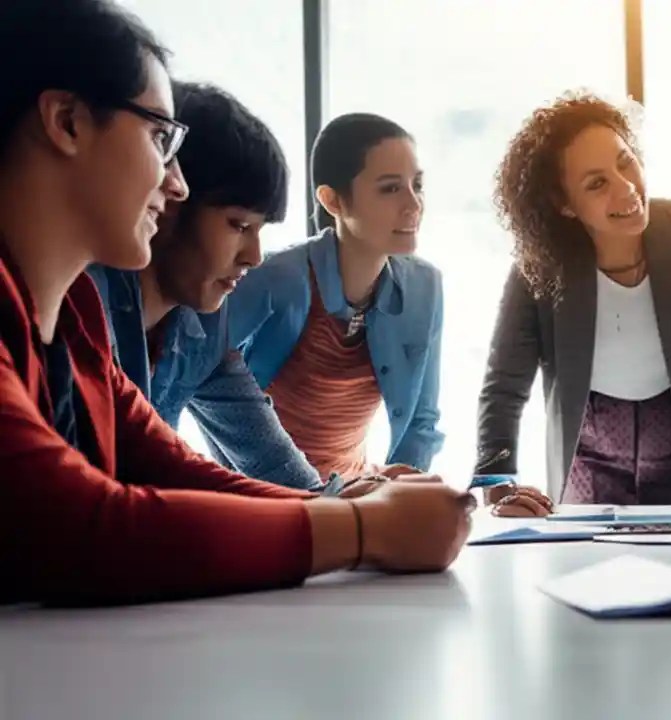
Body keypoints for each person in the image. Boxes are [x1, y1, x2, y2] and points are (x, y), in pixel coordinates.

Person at [0, 0, 471, 606]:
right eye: (160, 138)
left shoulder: (76, 318)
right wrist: (361, 530)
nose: (176, 184)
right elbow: (86, 527)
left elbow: (171, 467)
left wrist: (343, 507)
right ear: (67, 121)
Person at [476, 90, 671, 515]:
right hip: (587, 463)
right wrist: (496, 481)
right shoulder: (540, 264)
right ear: (564, 205)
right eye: (597, 183)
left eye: (625, 161)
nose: (627, 187)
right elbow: (505, 385)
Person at [87, 80, 321, 490]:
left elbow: (271, 461)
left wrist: (344, 503)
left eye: (260, 230)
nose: (254, 256)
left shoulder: (203, 327)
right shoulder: (85, 305)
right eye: (239, 225)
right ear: (167, 198)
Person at [228, 113, 444, 481]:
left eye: (417, 185)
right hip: (265, 491)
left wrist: (400, 493)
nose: (413, 204)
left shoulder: (425, 287)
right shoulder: (274, 278)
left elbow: (421, 422)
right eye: (390, 189)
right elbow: (197, 374)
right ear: (333, 200)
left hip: (355, 490)